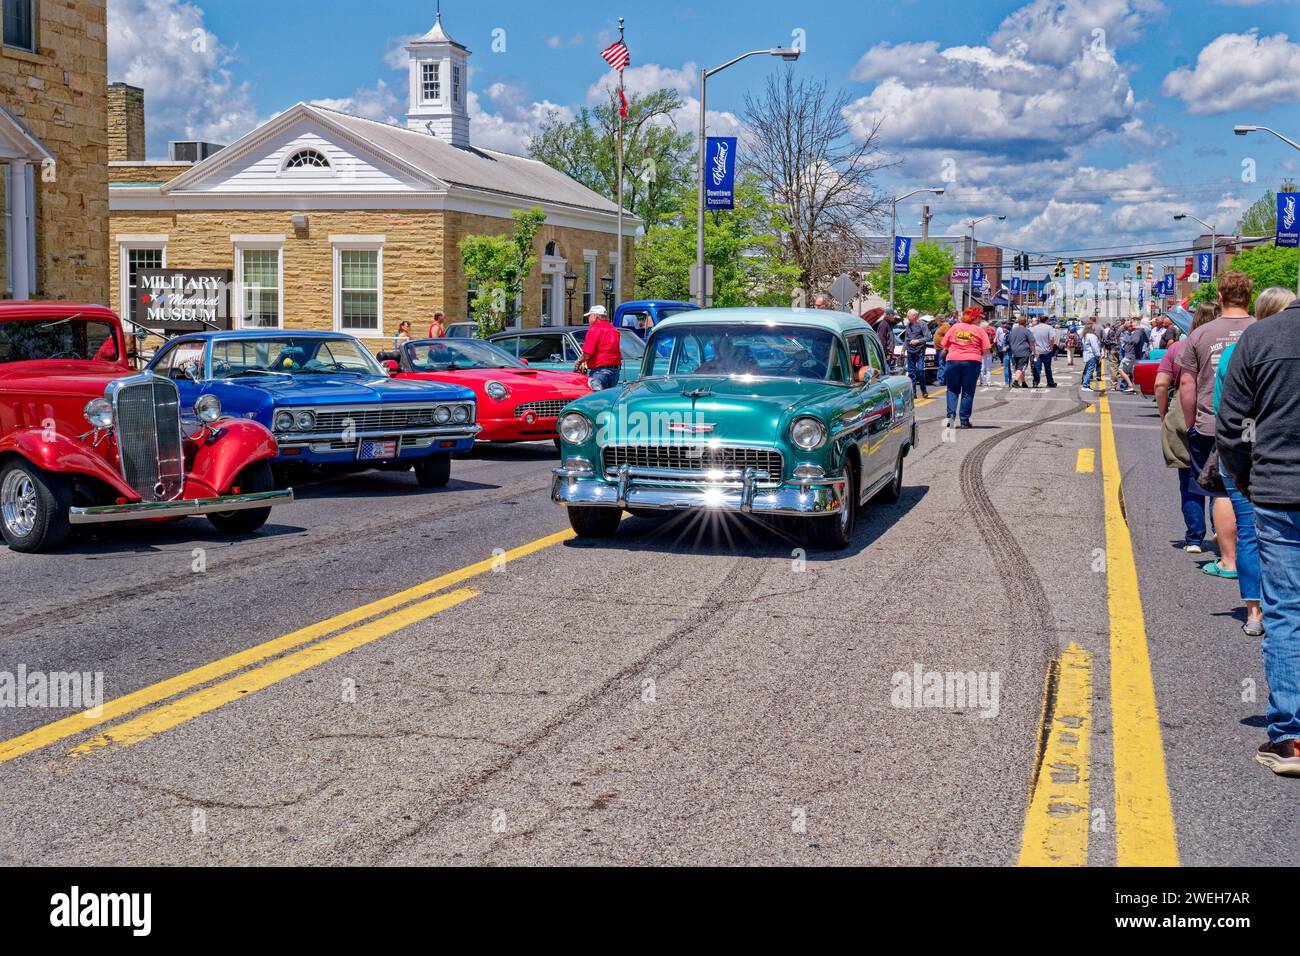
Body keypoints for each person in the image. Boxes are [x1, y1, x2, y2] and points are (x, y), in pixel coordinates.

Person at [1217, 291, 1300, 774]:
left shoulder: (1261, 338)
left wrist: (1249, 478)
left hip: (1279, 490)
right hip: (1275, 487)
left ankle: (1290, 738)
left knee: (1286, 611)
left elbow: (1233, 427)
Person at [1209, 288, 1295, 638]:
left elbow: (1225, 413)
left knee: (1250, 534)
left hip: (1248, 458)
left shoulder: (1239, 349)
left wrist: (1240, 469)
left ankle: (1255, 611)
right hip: (1274, 461)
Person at [1178, 271, 1256, 586]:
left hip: (1210, 422)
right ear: (1249, 296)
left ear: (1221, 296)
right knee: (1251, 489)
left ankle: (1228, 558)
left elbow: (1186, 382)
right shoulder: (1260, 330)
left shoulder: (1199, 335)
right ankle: (1254, 552)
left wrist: (1189, 421)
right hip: (1253, 427)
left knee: (1221, 490)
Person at [1156, 305, 1217, 554]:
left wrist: (1163, 414)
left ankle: (1194, 538)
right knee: (1220, 481)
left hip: (1183, 416)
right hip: (1218, 415)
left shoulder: (1178, 348)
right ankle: (1221, 528)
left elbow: (1161, 384)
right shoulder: (1225, 345)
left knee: (1189, 477)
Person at [941, 309, 990, 428]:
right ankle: (964, 421)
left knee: (952, 389)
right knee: (967, 392)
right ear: (975, 318)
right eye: (979, 318)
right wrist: (976, 355)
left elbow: (944, 344)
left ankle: (951, 416)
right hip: (972, 361)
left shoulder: (955, 327)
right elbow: (986, 349)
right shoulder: (979, 330)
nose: (980, 320)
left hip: (953, 360)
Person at [575, 305, 622, 390]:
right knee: (609, 399)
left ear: (595, 317)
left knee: (596, 400)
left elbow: (587, 354)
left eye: (589, 316)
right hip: (615, 371)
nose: (588, 319)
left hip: (599, 371)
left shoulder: (594, 330)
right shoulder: (614, 330)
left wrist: (579, 362)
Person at [903, 310, 930, 399]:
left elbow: (928, 337)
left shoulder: (922, 324)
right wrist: (903, 349)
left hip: (920, 351)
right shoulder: (908, 325)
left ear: (914, 316)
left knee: (920, 371)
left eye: (908, 316)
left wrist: (917, 341)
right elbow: (906, 338)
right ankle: (913, 392)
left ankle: (924, 390)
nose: (907, 317)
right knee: (911, 373)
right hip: (910, 351)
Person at [1118, 317, 1149, 393]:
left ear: (1136, 323)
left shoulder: (1138, 331)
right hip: (1135, 354)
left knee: (1121, 370)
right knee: (1132, 371)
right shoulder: (1141, 331)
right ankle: (1134, 386)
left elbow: (1135, 341)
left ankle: (1130, 385)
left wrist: (1125, 340)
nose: (1131, 324)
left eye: (1132, 322)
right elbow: (1147, 340)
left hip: (1131, 355)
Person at [1029, 316, 1057, 388]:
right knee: (1047, 368)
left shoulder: (1033, 328)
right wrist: (1051, 348)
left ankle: (1035, 382)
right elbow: (1051, 339)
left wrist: (1033, 350)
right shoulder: (1049, 328)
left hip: (1037, 351)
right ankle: (1050, 382)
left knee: (1036, 368)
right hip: (1046, 351)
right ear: (1046, 320)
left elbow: (1031, 340)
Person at [1007, 316, 1033, 388]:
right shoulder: (1026, 331)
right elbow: (1032, 342)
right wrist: (1034, 351)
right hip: (1023, 352)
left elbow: (1008, 340)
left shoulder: (1013, 331)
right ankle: (1015, 382)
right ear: (1025, 323)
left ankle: (1023, 382)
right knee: (1021, 368)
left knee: (1019, 368)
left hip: (1014, 352)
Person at [932, 314, 953, 386]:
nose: (936, 322)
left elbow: (948, 338)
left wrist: (945, 349)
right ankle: (943, 380)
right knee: (942, 364)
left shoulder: (946, 326)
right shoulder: (941, 326)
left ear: (939, 320)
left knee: (942, 364)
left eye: (936, 320)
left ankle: (940, 380)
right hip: (939, 349)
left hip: (942, 349)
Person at [1081, 322, 1103, 391]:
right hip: (1092, 355)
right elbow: (1095, 347)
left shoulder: (1085, 335)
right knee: (1090, 370)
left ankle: (1086, 384)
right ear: (1091, 328)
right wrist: (1099, 356)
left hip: (1086, 355)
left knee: (1088, 370)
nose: (1095, 328)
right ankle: (1085, 385)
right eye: (1093, 327)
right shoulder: (1092, 336)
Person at [979, 320, 994, 386]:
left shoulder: (989, 334)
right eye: (987, 327)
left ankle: (989, 382)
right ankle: (982, 382)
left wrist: (992, 344)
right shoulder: (980, 335)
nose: (988, 328)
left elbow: (993, 341)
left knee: (988, 368)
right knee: (982, 368)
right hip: (982, 352)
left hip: (989, 352)